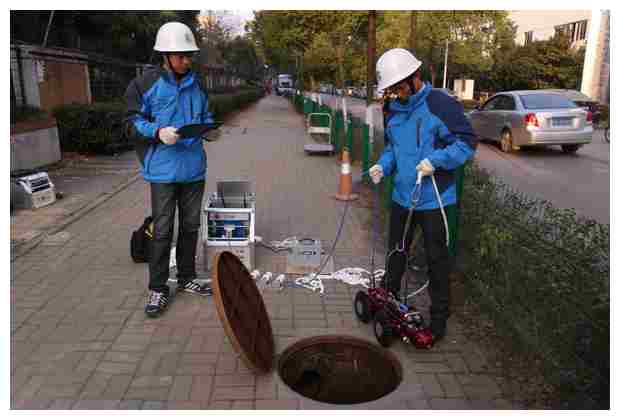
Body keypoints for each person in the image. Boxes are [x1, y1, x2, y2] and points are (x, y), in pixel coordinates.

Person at [368, 48, 477, 342]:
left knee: (436, 260)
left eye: (401, 86)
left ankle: (438, 322)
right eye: (392, 88)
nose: (398, 93)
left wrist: (436, 161)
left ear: (416, 77)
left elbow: (466, 143)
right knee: (395, 252)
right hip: (403, 196)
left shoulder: (440, 104)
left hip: (435, 199)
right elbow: (393, 147)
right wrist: (383, 165)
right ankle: (387, 300)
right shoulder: (392, 109)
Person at [125, 21, 213, 318]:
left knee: (190, 227)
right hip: (162, 171)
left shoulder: (197, 84)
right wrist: (157, 131)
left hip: (193, 170)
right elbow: (131, 122)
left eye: (190, 55)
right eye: (181, 55)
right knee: (163, 230)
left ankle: (187, 278)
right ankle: (158, 289)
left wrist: (210, 129)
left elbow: (206, 115)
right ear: (164, 55)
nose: (187, 61)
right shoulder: (144, 84)